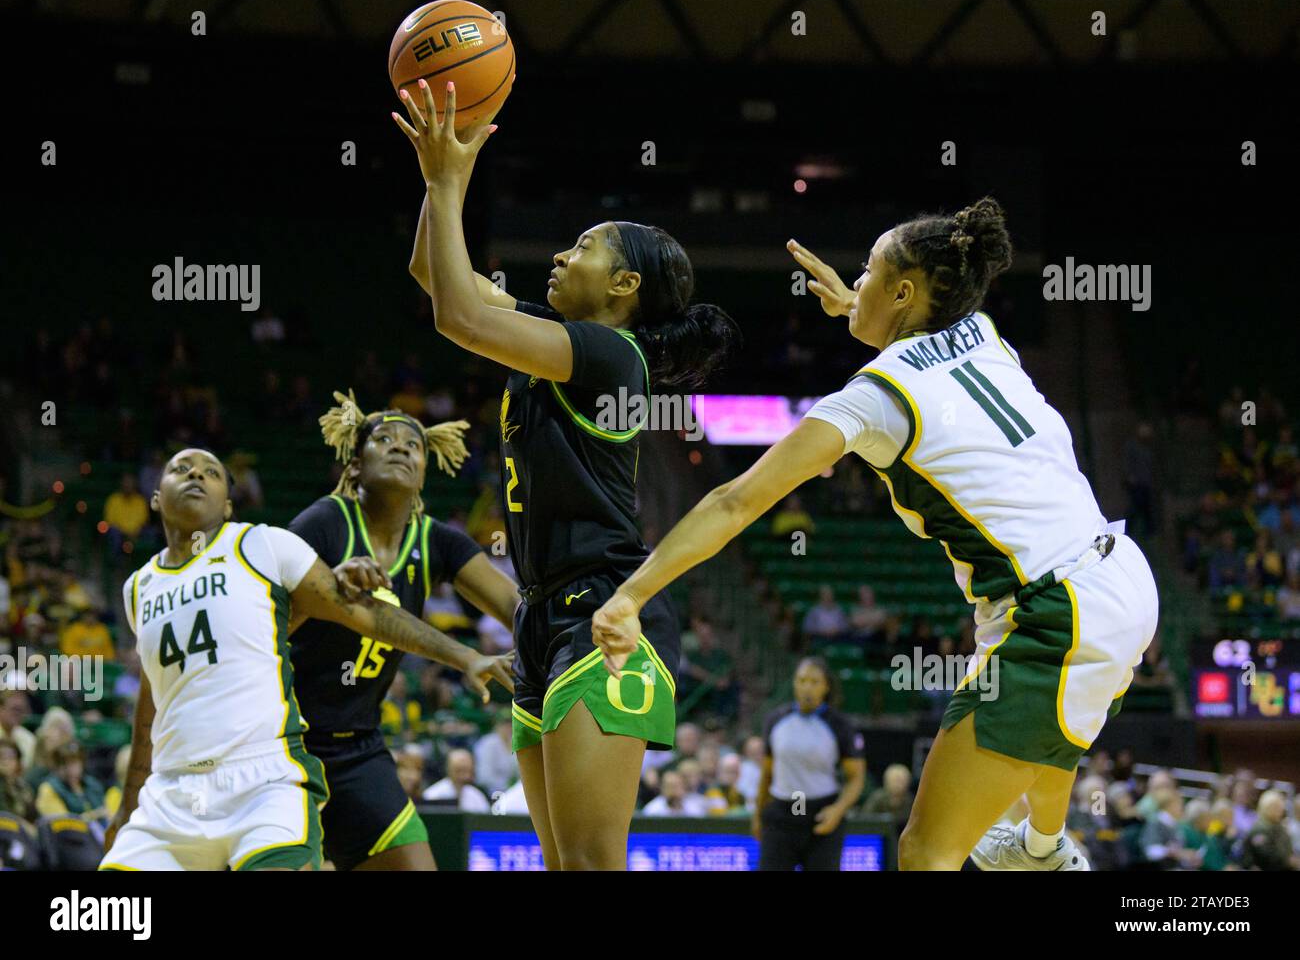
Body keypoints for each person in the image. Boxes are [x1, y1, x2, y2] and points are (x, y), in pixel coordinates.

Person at [593, 197, 1159, 871]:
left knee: (925, 850)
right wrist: (863, 312)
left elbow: (735, 500)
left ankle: (1047, 853)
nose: (853, 281)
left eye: (866, 272)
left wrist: (631, 593)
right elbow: (924, 347)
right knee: (1046, 735)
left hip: (1054, 611)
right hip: (1118, 574)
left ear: (904, 290)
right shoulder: (982, 330)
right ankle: (1044, 847)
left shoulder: (875, 396)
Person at [393, 79, 740, 870]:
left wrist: (452, 182)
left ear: (625, 286)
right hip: (540, 616)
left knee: (590, 863)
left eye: (583, 246)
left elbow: (458, 316)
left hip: (604, 611)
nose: (559, 252)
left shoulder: (613, 354)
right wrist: (435, 175)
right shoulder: (550, 337)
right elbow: (430, 272)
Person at [100, 447, 512, 871]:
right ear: (155, 495)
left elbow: (368, 613)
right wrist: (128, 806)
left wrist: (465, 656)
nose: (196, 476)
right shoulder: (138, 588)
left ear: (226, 503)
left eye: (211, 472)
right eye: (181, 469)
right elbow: (152, 709)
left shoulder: (261, 545)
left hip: (261, 784)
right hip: (171, 794)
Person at [288, 395, 520, 871]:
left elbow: (517, 608)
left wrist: (581, 632)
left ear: (422, 474)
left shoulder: (438, 540)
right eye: (383, 439)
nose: (400, 448)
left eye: (413, 445)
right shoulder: (324, 523)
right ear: (354, 467)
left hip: (358, 747)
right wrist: (329, 588)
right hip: (283, 741)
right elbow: (261, 617)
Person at [751, 658, 866, 870]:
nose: (807, 687)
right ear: (794, 683)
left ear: (826, 686)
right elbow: (767, 773)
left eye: (814, 681)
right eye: (802, 680)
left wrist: (837, 810)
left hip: (821, 813)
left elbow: (856, 778)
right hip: (781, 813)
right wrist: (758, 814)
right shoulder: (775, 720)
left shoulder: (840, 725)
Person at [35, 743, 109, 825]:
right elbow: (62, 823)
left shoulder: (93, 784)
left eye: (75, 763)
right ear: (57, 766)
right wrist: (94, 815)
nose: (71, 769)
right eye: (65, 764)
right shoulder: (48, 788)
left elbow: (108, 814)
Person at [422, 748, 490, 812]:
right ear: (449, 769)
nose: (464, 775)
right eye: (460, 770)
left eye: (467, 769)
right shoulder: (433, 795)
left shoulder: (476, 795)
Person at [0, 736, 37, 822]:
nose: (6, 761)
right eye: (1, 757)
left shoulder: (21, 784)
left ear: (18, 761)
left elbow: (34, 813)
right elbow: (5, 816)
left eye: (10, 757)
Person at [0, 693, 36, 771]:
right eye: (14, 709)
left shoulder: (28, 738)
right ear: (1, 708)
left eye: (21, 710)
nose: (17, 714)